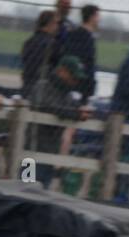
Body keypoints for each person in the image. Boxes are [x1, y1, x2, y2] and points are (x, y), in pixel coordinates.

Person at [29, 54, 89, 185]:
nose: (75, 82)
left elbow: (75, 107)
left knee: (41, 194)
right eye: (73, 77)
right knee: (23, 190)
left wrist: (82, 110)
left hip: (50, 153)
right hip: (30, 152)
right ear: (62, 71)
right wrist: (77, 114)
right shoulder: (42, 87)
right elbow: (51, 107)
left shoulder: (66, 94)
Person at [60, 4, 98, 103]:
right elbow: (81, 61)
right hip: (79, 85)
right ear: (91, 17)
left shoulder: (86, 36)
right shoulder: (81, 37)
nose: (99, 19)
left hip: (82, 86)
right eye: (97, 16)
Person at [20, 10, 59, 100]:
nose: (57, 27)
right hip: (44, 89)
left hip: (27, 85)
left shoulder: (29, 42)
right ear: (50, 23)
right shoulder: (52, 44)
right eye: (56, 23)